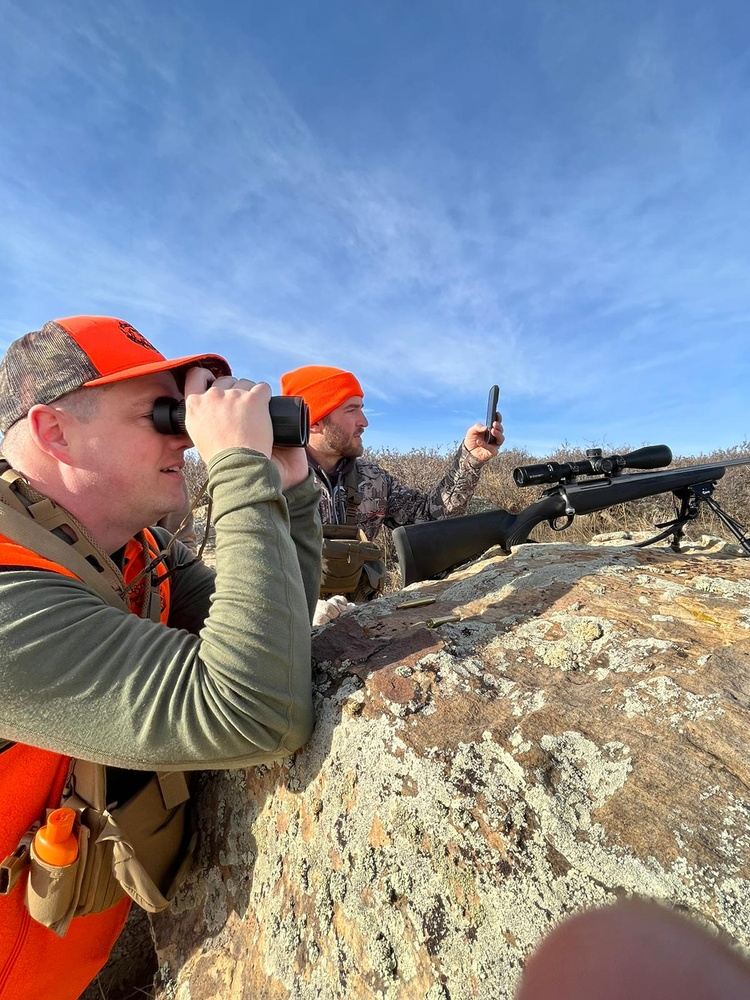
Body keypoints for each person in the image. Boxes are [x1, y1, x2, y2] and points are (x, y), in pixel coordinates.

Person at [0, 316, 321, 999]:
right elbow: (254, 712)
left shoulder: (136, 552)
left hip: (73, 954)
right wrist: (236, 470)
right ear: (54, 431)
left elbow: (276, 639)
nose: (187, 435)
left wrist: (286, 489)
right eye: (162, 413)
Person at [280, 364, 504, 622]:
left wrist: (470, 460)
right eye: (351, 409)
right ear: (315, 421)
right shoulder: (271, 477)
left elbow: (429, 521)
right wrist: (303, 611)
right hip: (287, 632)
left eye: (362, 409)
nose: (364, 422)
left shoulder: (372, 478)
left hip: (360, 627)